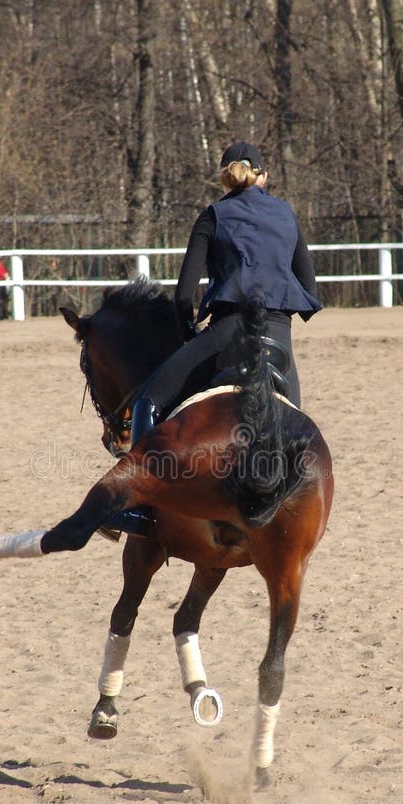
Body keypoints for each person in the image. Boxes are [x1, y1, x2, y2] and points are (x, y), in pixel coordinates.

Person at [109, 140, 322, 538]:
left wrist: (190, 330)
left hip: (226, 331)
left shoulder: (213, 216)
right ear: (263, 175)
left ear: (224, 179)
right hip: (278, 339)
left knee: (147, 401)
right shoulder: (286, 214)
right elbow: (308, 284)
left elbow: (184, 294)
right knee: (296, 423)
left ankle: (138, 508)